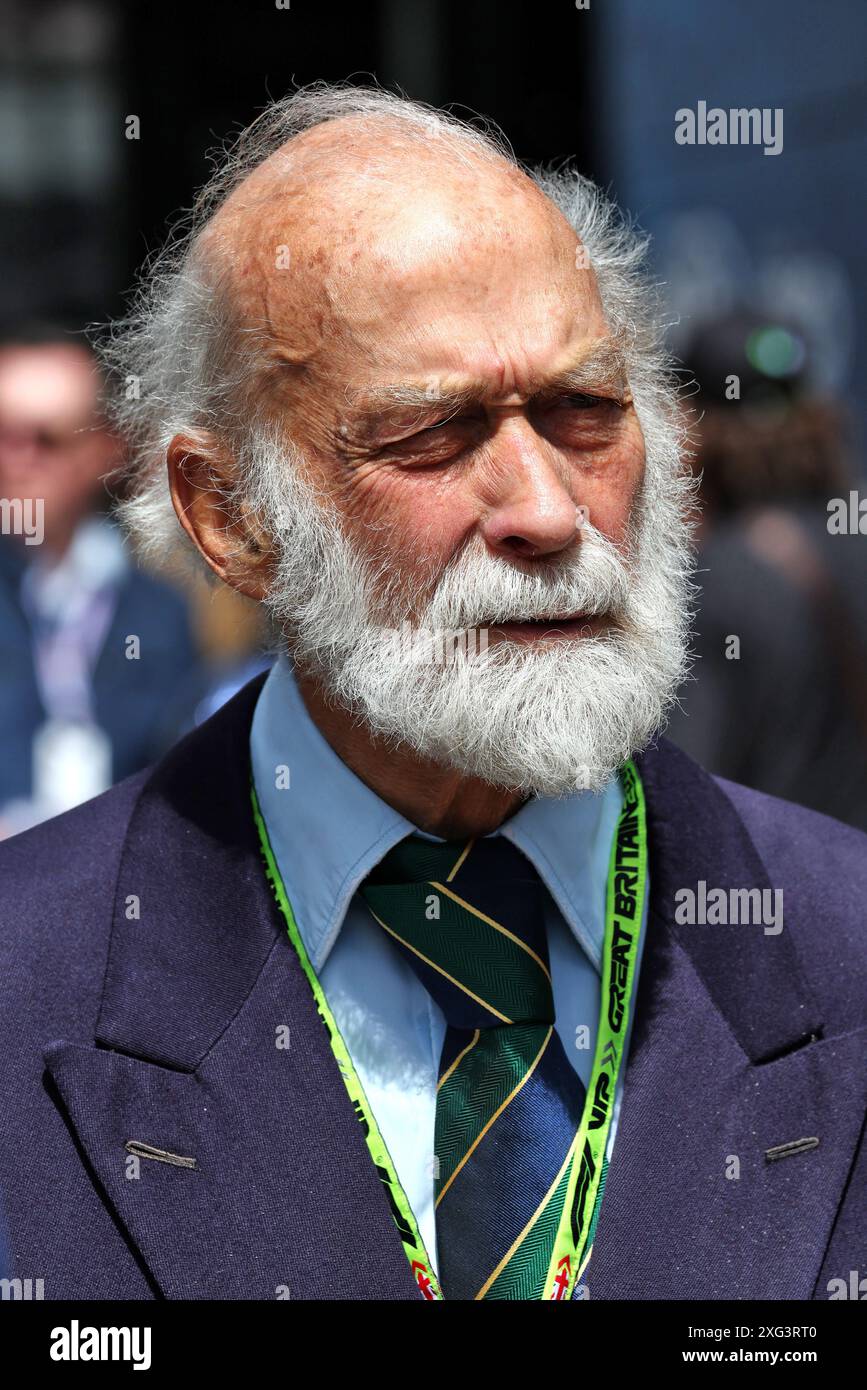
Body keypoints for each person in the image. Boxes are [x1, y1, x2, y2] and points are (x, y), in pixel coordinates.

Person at [0, 85, 863, 1302]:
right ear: (230, 516)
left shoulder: (842, 944)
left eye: (585, 413)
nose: (548, 511)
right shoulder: (27, 978)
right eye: (434, 436)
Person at [0, 327, 206, 835]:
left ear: (103, 450)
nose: (15, 460)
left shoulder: (159, 610)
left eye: (43, 439)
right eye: (2, 435)